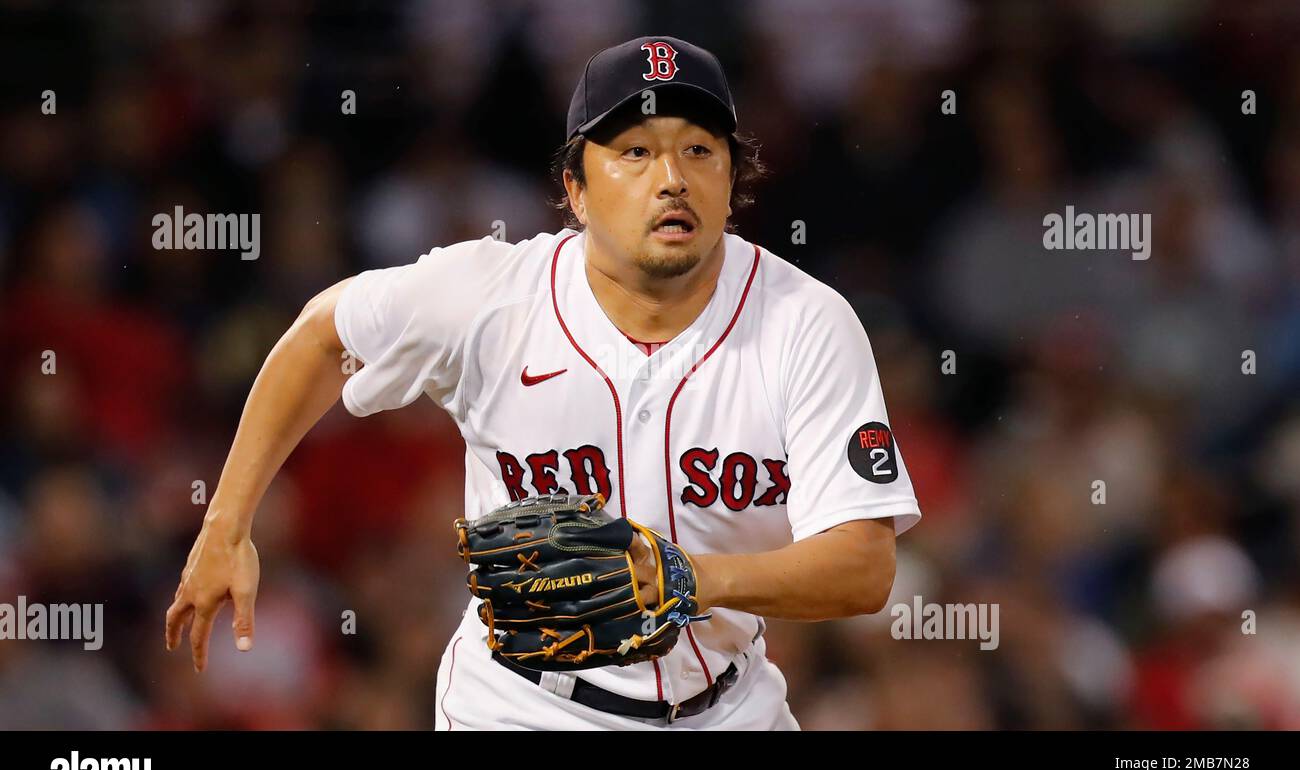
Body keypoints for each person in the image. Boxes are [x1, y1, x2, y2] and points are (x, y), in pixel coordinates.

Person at [164, 35, 921, 730]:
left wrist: (694, 578)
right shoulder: (492, 297)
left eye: (699, 149)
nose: (672, 178)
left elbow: (863, 566)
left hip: (731, 704)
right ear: (576, 189)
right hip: (524, 706)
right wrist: (226, 522)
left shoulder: (807, 323)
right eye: (634, 151)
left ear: (733, 179)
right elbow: (322, 336)